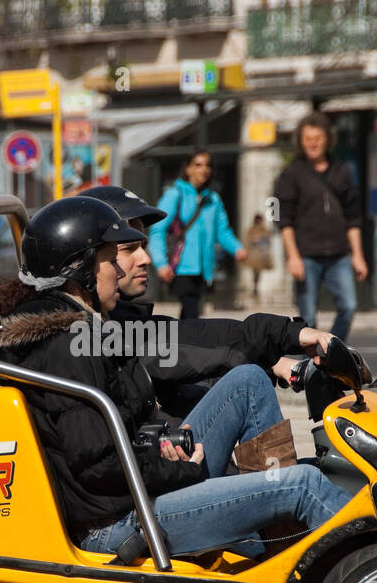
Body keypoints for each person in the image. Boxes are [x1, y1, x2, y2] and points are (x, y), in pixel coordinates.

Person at [0, 195, 356, 560]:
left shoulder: (87, 329)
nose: (124, 267)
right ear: (81, 268)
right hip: (120, 521)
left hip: (138, 489)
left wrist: (285, 343)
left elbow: (192, 341)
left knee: (248, 383)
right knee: (302, 485)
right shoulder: (71, 346)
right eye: (112, 257)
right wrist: (175, 469)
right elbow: (97, 465)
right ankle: (368, 569)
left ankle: (283, 546)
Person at [79, 183, 334, 419]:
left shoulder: (114, 318)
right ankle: (277, 470)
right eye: (127, 250)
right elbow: (184, 344)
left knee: (229, 377)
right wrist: (284, 336)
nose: (146, 258)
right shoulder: (88, 333)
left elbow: (189, 344)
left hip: (165, 460)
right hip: (159, 465)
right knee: (248, 383)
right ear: (89, 260)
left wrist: (277, 360)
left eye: (143, 246)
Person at [273, 112, 367, 341]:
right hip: (306, 255)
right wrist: (292, 256)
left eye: (318, 137)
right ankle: (312, 364)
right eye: (308, 138)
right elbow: (283, 220)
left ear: (327, 139)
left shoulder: (342, 170)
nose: (313, 143)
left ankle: (331, 352)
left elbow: (353, 216)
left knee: (349, 306)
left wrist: (358, 255)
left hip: (340, 254)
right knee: (308, 318)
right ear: (300, 141)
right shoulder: (291, 174)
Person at [149, 149, 246, 320]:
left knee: (191, 313)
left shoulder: (213, 199)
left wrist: (237, 248)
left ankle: (180, 343)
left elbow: (222, 231)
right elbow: (157, 229)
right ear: (188, 169)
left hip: (204, 267)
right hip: (180, 266)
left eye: (207, 165)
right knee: (191, 309)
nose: (204, 169)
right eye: (198, 164)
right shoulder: (175, 194)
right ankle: (188, 344)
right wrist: (161, 263)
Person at [243, 213, 274, 300]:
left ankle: (256, 289)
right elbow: (249, 240)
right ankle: (255, 289)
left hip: (261, 255)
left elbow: (268, 238)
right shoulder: (252, 229)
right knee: (256, 273)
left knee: (258, 273)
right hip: (255, 256)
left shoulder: (263, 229)